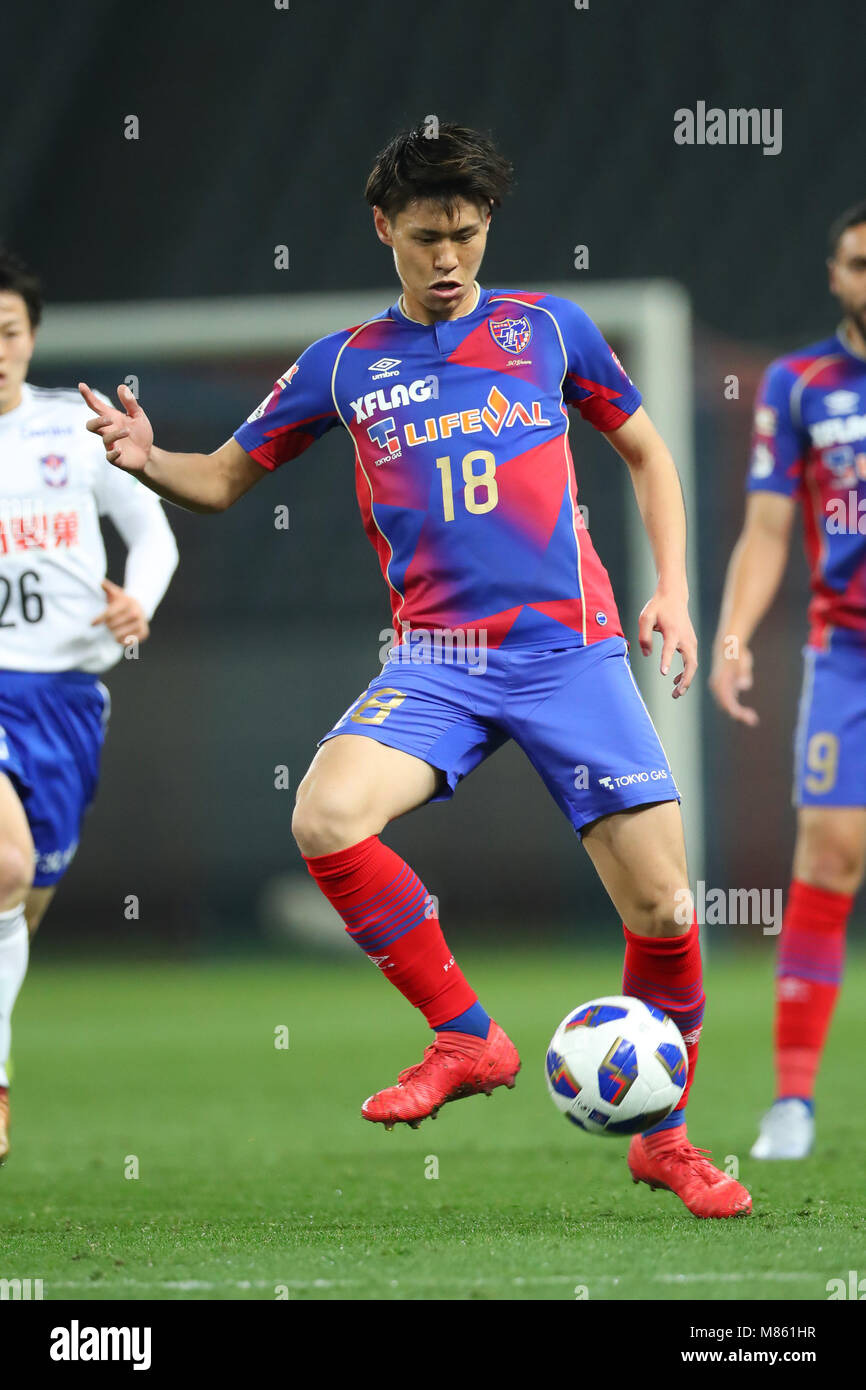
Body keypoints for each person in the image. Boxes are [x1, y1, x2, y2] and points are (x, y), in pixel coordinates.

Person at [82, 123, 750, 1218]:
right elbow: (218, 480)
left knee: (668, 906)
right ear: (383, 228)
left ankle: (663, 1140)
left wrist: (672, 588)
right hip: (436, 660)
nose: (449, 258)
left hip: (566, 652)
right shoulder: (343, 363)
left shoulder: (549, 329)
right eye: (428, 236)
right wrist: (148, 457)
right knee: (326, 816)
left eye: (468, 235)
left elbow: (644, 449)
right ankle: (466, 1034)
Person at [0, 249, 179, 1164]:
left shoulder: (71, 430)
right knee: (4, 864)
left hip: (65, 695)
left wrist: (136, 603)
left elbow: (152, 533)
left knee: (22, 904)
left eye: (9, 332)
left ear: (31, 338)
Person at [710, 200, 866, 1159]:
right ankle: (794, 1103)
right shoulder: (798, 382)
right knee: (828, 856)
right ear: (834, 272)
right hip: (844, 654)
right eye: (859, 261)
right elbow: (768, 528)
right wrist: (732, 636)